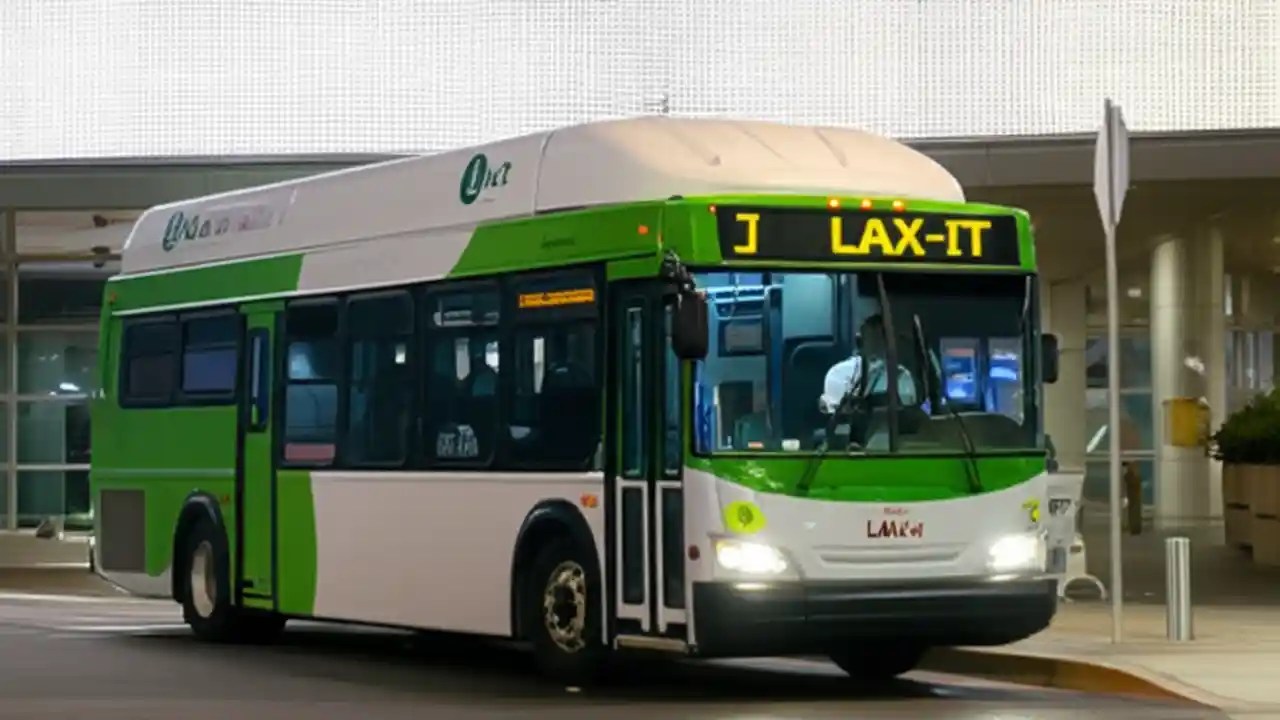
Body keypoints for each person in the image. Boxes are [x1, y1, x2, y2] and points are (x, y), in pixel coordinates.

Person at [819, 313, 920, 415]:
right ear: (860, 342)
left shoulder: (903, 377)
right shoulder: (839, 374)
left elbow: (913, 413)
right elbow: (836, 419)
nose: (877, 346)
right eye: (873, 340)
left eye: (881, 341)